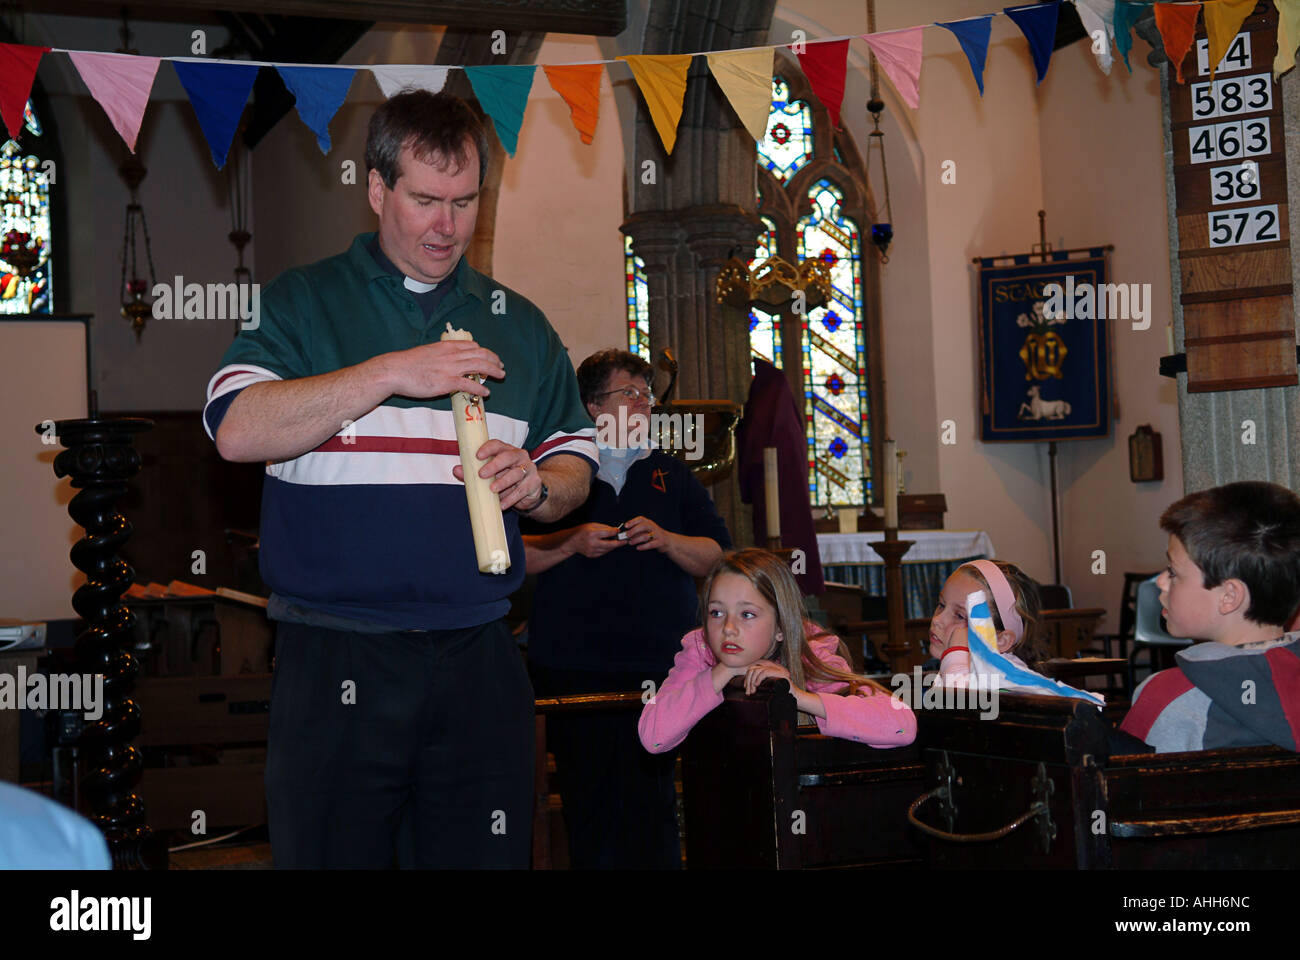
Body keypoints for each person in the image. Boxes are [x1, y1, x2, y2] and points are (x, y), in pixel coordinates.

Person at [203, 90, 597, 868]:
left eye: (464, 201)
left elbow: (575, 464)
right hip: (336, 654)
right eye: (424, 200)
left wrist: (541, 486)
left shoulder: (518, 321)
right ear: (378, 189)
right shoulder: (303, 301)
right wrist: (390, 373)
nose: (446, 225)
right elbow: (236, 429)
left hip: (480, 656)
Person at [523, 348, 731, 869]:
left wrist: (667, 539)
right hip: (574, 667)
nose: (644, 403)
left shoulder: (671, 473)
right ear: (593, 406)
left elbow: (718, 556)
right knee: (588, 799)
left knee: (653, 801)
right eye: (630, 393)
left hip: (658, 664)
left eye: (647, 395)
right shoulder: (556, 474)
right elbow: (511, 556)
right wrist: (571, 542)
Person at [638, 549, 916, 753]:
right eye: (716, 612)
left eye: (747, 614)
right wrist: (723, 671)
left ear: (781, 626)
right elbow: (653, 737)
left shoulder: (809, 653)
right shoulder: (700, 651)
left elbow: (901, 726)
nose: (728, 628)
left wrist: (798, 695)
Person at [1120, 482, 1300, 753]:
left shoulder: (1169, 697)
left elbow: (1120, 776)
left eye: (1173, 572)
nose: (1160, 582)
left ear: (1229, 596)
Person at [928, 560, 1046, 687]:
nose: (937, 620)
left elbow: (959, 696)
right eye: (941, 605)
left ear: (1001, 640)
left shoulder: (1004, 682)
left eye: (960, 616)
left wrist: (956, 653)